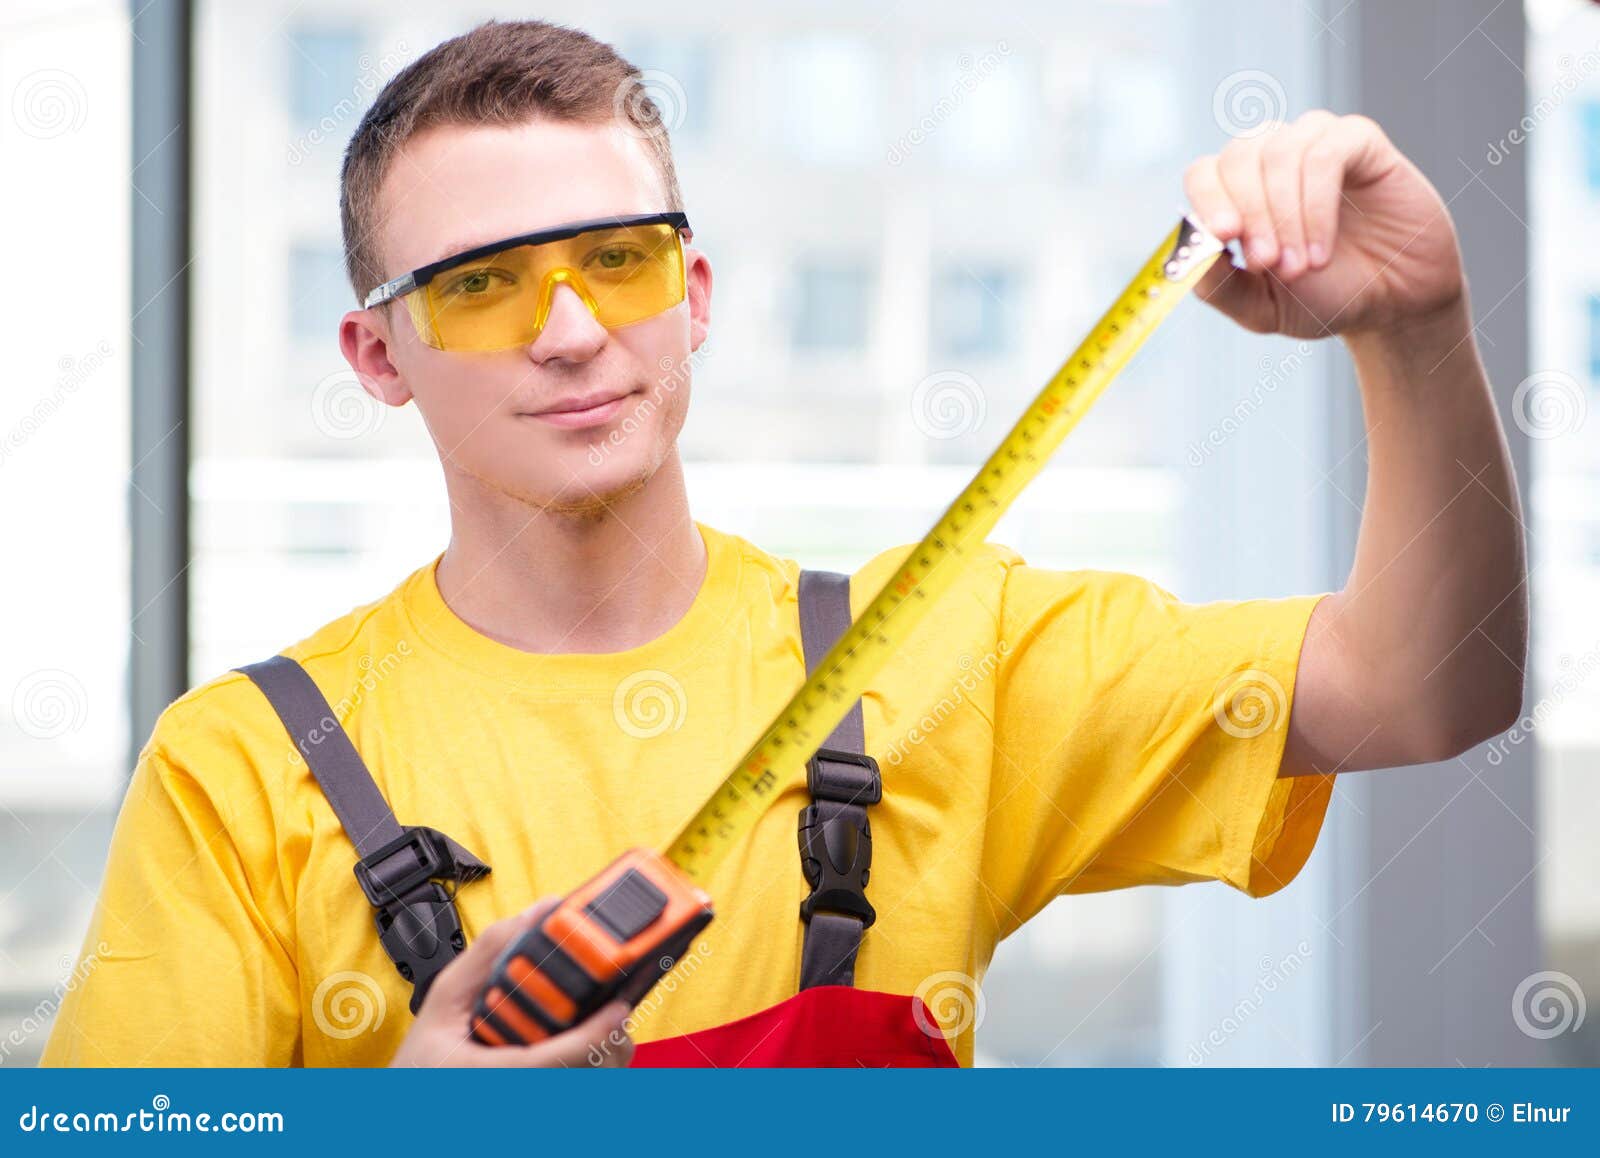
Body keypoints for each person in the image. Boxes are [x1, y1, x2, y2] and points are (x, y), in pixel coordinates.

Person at [42, 18, 1525, 1068]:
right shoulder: (240, 771)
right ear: (379, 355)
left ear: (692, 292)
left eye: (614, 262)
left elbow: (1422, 688)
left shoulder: (952, 650)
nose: (570, 332)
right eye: (486, 286)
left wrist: (1416, 331)